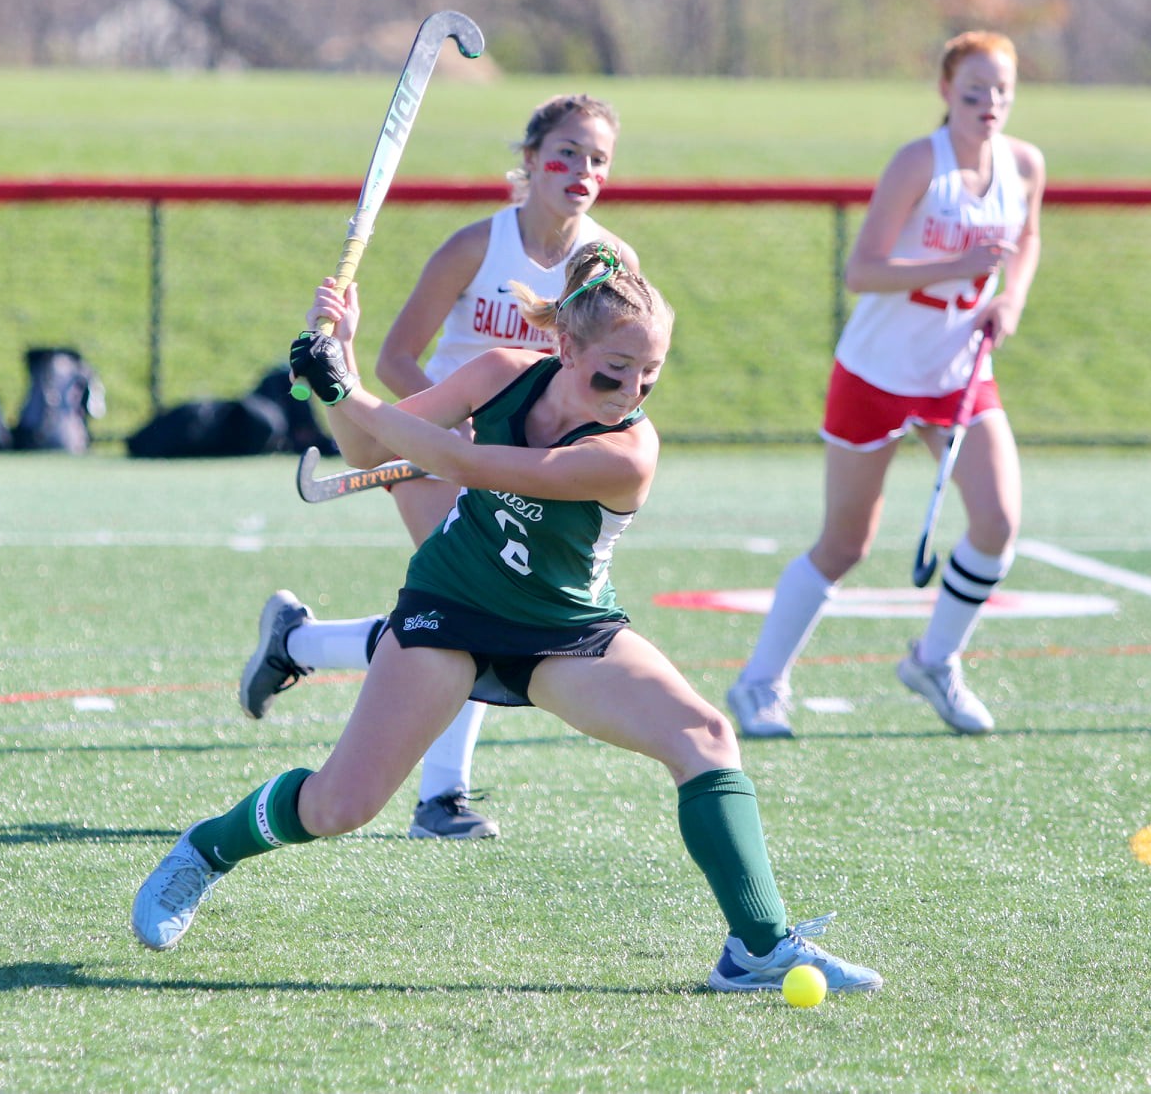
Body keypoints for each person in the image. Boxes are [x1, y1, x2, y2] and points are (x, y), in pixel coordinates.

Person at [132, 245, 883, 995]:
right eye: (611, 372)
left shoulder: (627, 451)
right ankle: (205, 849)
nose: (628, 392)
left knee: (705, 737)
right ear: (563, 345)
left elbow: (475, 468)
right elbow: (363, 449)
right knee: (340, 805)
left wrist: (352, 393)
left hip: (565, 628)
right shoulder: (500, 373)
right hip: (451, 607)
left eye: (649, 376)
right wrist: (346, 362)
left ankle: (758, 949)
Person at [238, 94, 638, 841]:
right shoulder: (474, 247)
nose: (582, 169)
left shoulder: (610, 263)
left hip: (527, 466)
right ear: (528, 159)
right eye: (567, 151)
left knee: (456, 620)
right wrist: (448, 429)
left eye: (598, 158)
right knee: (468, 610)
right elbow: (395, 355)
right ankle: (440, 798)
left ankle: (295, 641)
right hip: (439, 449)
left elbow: (620, 377)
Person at [726, 30, 1047, 740]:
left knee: (997, 522)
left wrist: (1009, 298)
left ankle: (934, 660)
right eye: (972, 90)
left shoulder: (1024, 164)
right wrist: (955, 265)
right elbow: (862, 271)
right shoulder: (916, 164)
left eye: (1000, 90)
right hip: (877, 369)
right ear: (943, 91)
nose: (988, 103)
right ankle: (757, 683)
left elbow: (1024, 242)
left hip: (959, 370)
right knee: (846, 542)